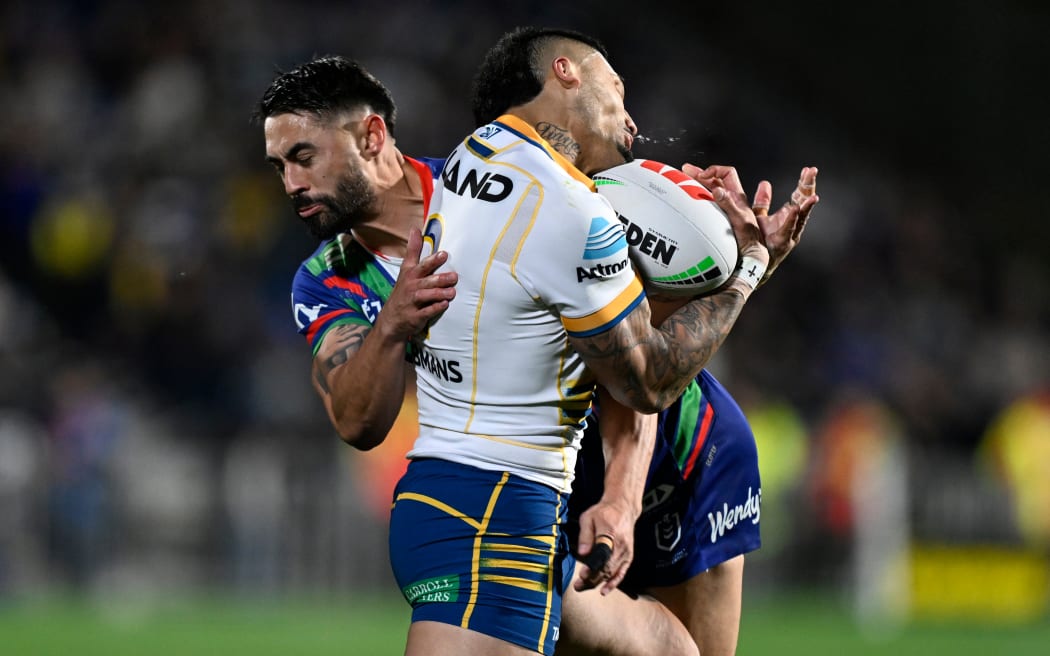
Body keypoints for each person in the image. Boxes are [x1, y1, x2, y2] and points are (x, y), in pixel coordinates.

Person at [388, 26, 815, 656]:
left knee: (671, 648)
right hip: (497, 516)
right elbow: (645, 380)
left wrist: (669, 220)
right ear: (567, 72)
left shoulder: (467, 163)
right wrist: (747, 266)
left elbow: (553, 299)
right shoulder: (571, 209)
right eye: (617, 88)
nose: (632, 117)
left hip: (446, 496)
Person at [255, 54, 697, 656]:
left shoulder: (493, 191)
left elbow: (622, 351)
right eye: (278, 167)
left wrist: (620, 495)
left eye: (303, 158)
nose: (291, 185)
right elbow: (359, 422)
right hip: (513, 481)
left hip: (657, 448)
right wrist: (390, 325)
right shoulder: (329, 280)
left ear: (372, 135)